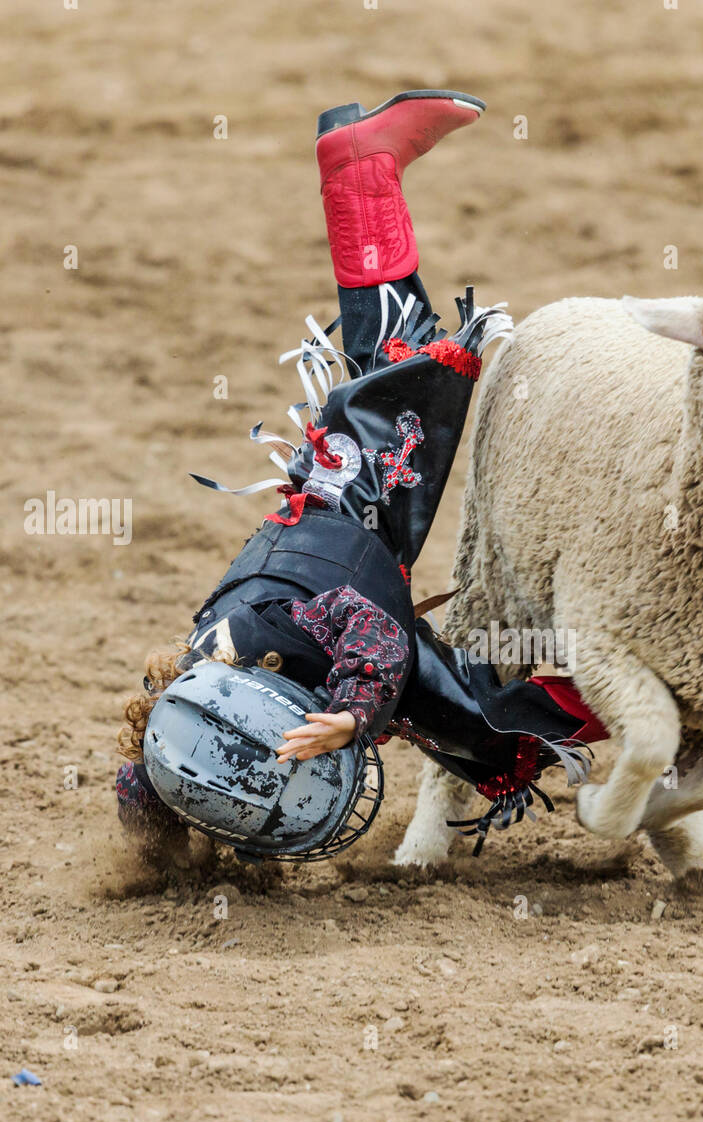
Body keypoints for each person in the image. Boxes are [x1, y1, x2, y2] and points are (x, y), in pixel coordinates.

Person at [116, 91, 606, 862]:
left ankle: (359, 171)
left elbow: (372, 636)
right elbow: (149, 768)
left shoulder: (274, 646)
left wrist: (351, 716)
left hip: (352, 506)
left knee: (399, 363)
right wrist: (157, 844)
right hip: (342, 533)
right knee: (485, 733)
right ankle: (655, 697)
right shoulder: (198, 700)